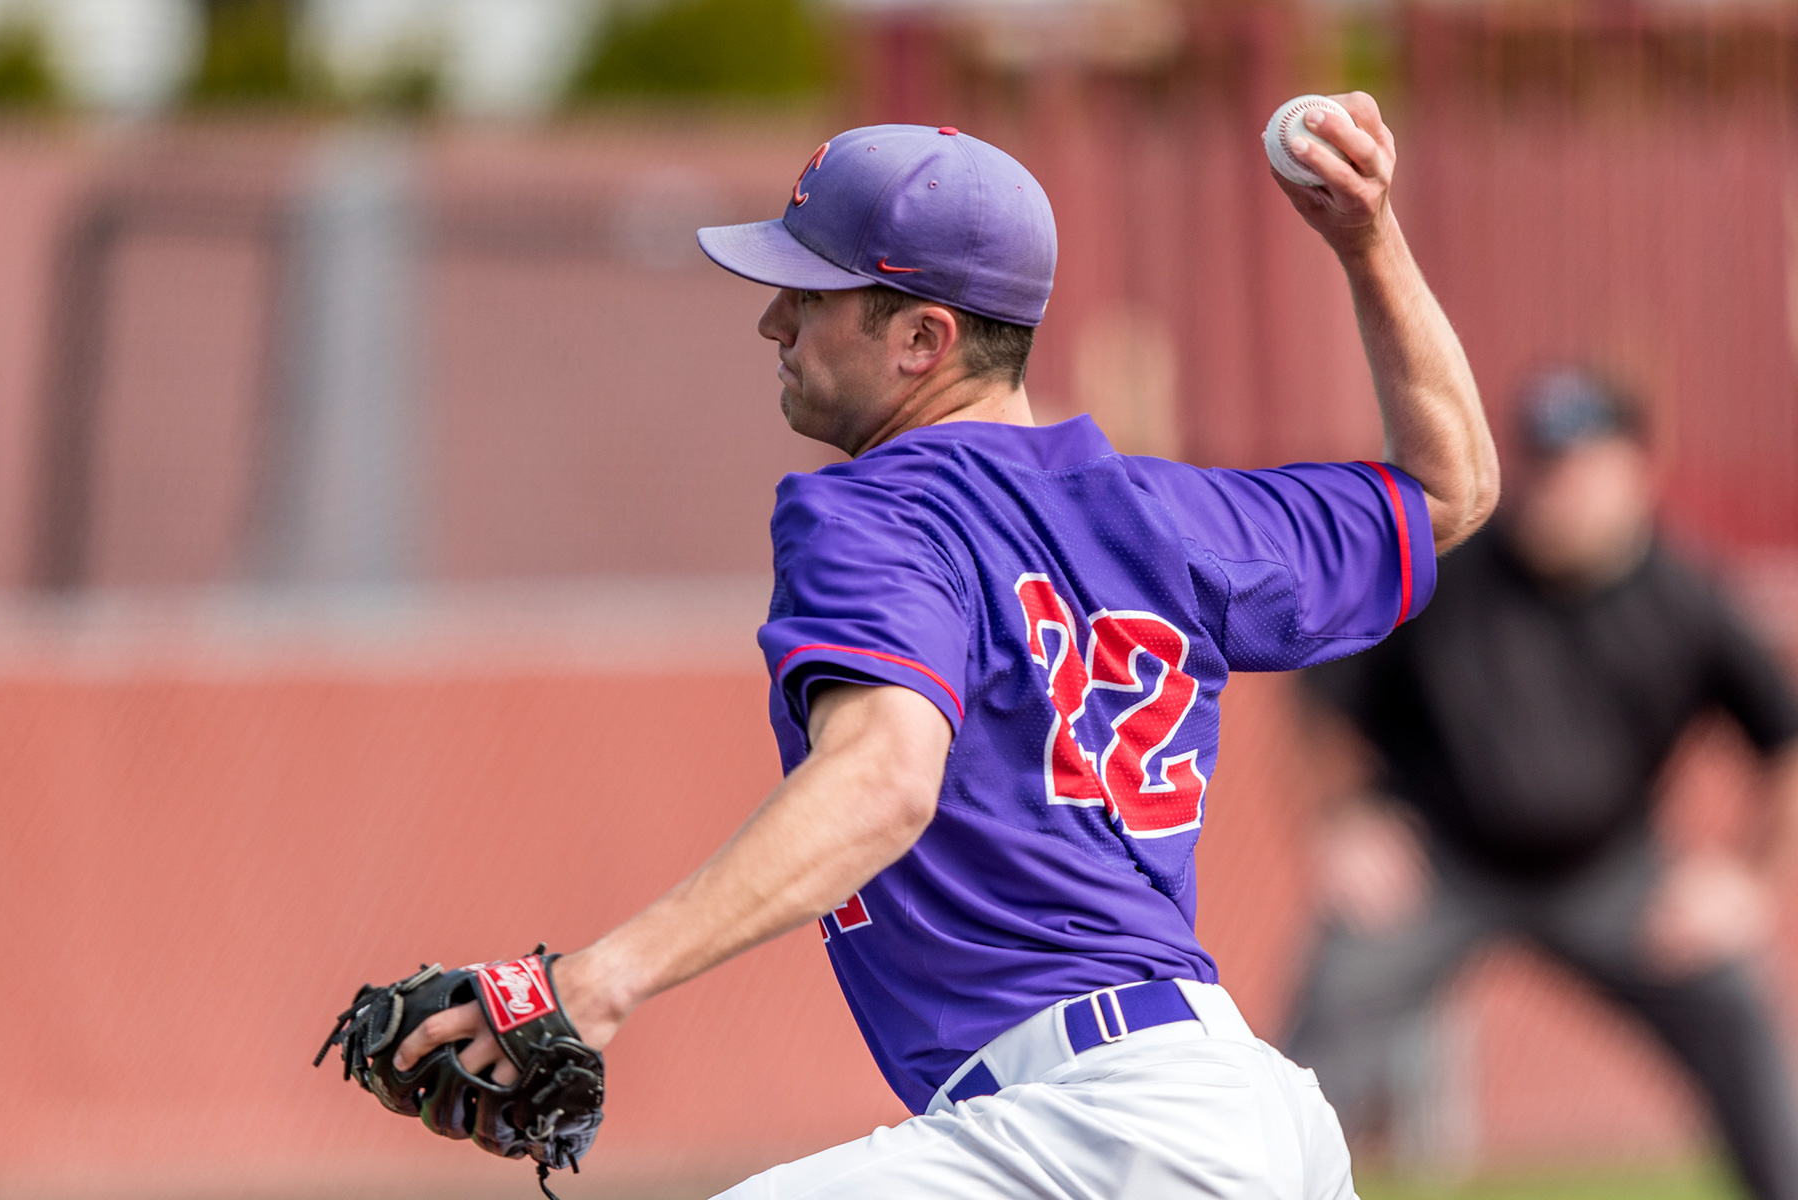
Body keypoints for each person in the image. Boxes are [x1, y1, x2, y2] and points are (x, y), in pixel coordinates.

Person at [395, 94, 1497, 1197]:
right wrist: (1369, 241)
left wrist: (599, 980)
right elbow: (1451, 489)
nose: (773, 323)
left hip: (1103, 1130)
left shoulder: (878, 515)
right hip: (1230, 1109)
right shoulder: (1166, 515)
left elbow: (884, 780)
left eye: (811, 295)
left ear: (924, 339)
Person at [1286, 368, 1798, 1200]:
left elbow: (1783, 740)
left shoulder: (1687, 598)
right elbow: (1325, 697)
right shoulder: (1445, 578)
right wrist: (1345, 822)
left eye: (1581, 467)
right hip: (1443, 867)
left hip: (1611, 873)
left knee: (1732, 1001)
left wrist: (1745, 881)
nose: (1557, 490)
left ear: (1636, 472)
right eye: (1544, 466)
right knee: (1330, 1014)